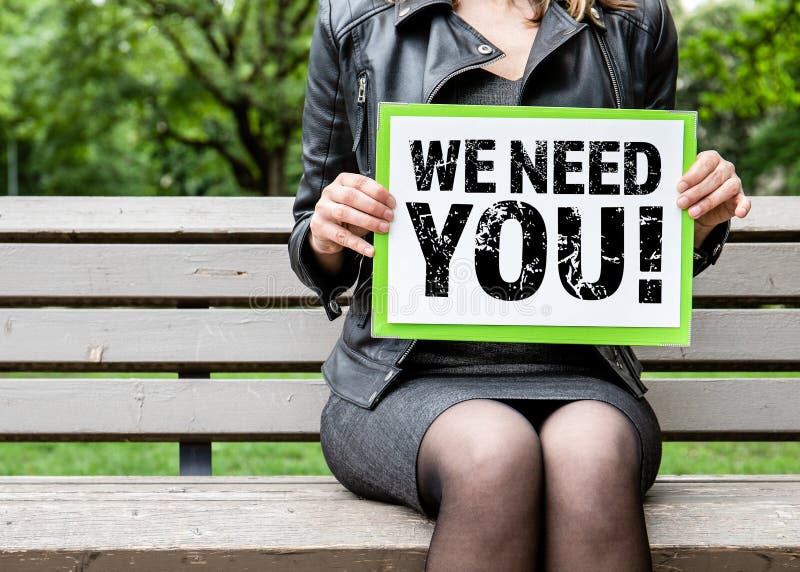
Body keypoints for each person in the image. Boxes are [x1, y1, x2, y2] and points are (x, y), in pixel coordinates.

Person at [288, 0, 752, 570]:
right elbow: (314, 237)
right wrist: (329, 233)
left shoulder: (634, 21)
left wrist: (698, 219)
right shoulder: (357, 19)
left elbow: (639, 237)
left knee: (591, 456)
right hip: (399, 383)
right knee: (495, 451)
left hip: (584, 379)